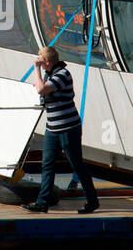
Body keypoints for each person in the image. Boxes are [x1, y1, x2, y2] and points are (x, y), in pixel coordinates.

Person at [25, 46, 100, 214]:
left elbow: (42, 89)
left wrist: (36, 70)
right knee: (47, 165)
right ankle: (42, 203)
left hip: (68, 128)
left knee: (77, 165)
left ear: (46, 61)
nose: (37, 62)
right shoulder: (50, 74)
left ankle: (92, 201)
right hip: (52, 128)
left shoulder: (62, 75)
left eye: (39, 59)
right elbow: (42, 89)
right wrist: (39, 78)